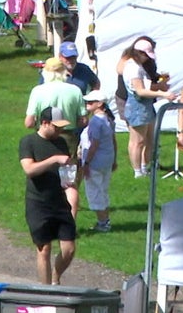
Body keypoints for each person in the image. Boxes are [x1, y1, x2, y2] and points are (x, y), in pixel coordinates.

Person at [19, 106, 78, 285]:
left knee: (69, 249)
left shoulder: (61, 142)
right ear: (45, 123)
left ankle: (55, 277)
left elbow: (67, 168)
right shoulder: (28, 142)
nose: (60, 130)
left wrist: (72, 177)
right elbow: (29, 169)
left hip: (59, 201)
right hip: (38, 202)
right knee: (44, 249)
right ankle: (45, 291)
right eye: (56, 126)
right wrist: (53, 159)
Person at [25, 57, 88, 217]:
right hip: (68, 136)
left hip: (43, 137)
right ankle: (70, 221)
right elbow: (83, 120)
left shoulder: (38, 90)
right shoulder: (75, 90)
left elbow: (29, 122)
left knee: (45, 175)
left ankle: (46, 214)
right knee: (69, 182)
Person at [117, 38, 176, 177]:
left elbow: (146, 85)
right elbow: (140, 91)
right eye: (145, 55)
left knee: (146, 139)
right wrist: (163, 93)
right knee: (137, 141)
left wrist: (160, 83)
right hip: (137, 105)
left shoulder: (137, 66)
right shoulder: (133, 67)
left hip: (144, 105)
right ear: (138, 53)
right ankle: (138, 171)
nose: (147, 59)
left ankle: (144, 167)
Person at [79, 91, 117, 233]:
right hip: (107, 160)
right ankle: (105, 220)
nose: (87, 104)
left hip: (95, 162)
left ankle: (103, 222)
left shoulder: (96, 121)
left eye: (91, 102)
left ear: (99, 104)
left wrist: (87, 163)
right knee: (103, 190)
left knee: (95, 192)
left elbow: (94, 144)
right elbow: (113, 141)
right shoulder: (109, 119)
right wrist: (114, 159)